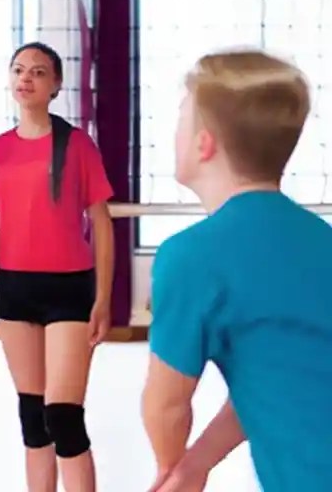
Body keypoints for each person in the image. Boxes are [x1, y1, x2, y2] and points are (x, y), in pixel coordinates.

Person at [142, 50, 332, 492]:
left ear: (203, 143)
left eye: (181, 120)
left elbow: (166, 405)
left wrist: (170, 467)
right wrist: (196, 464)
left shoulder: (190, 257)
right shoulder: (320, 240)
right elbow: (270, 373)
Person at [0, 41, 115, 492]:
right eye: (18, 70)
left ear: (55, 86)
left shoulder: (78, 145)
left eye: (38, 72)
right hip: (14, 290)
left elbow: (102, 226)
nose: (25, 78)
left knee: (63, 418)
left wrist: (104, 299)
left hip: (69, 290)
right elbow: (1, 227)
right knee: (33, 420)